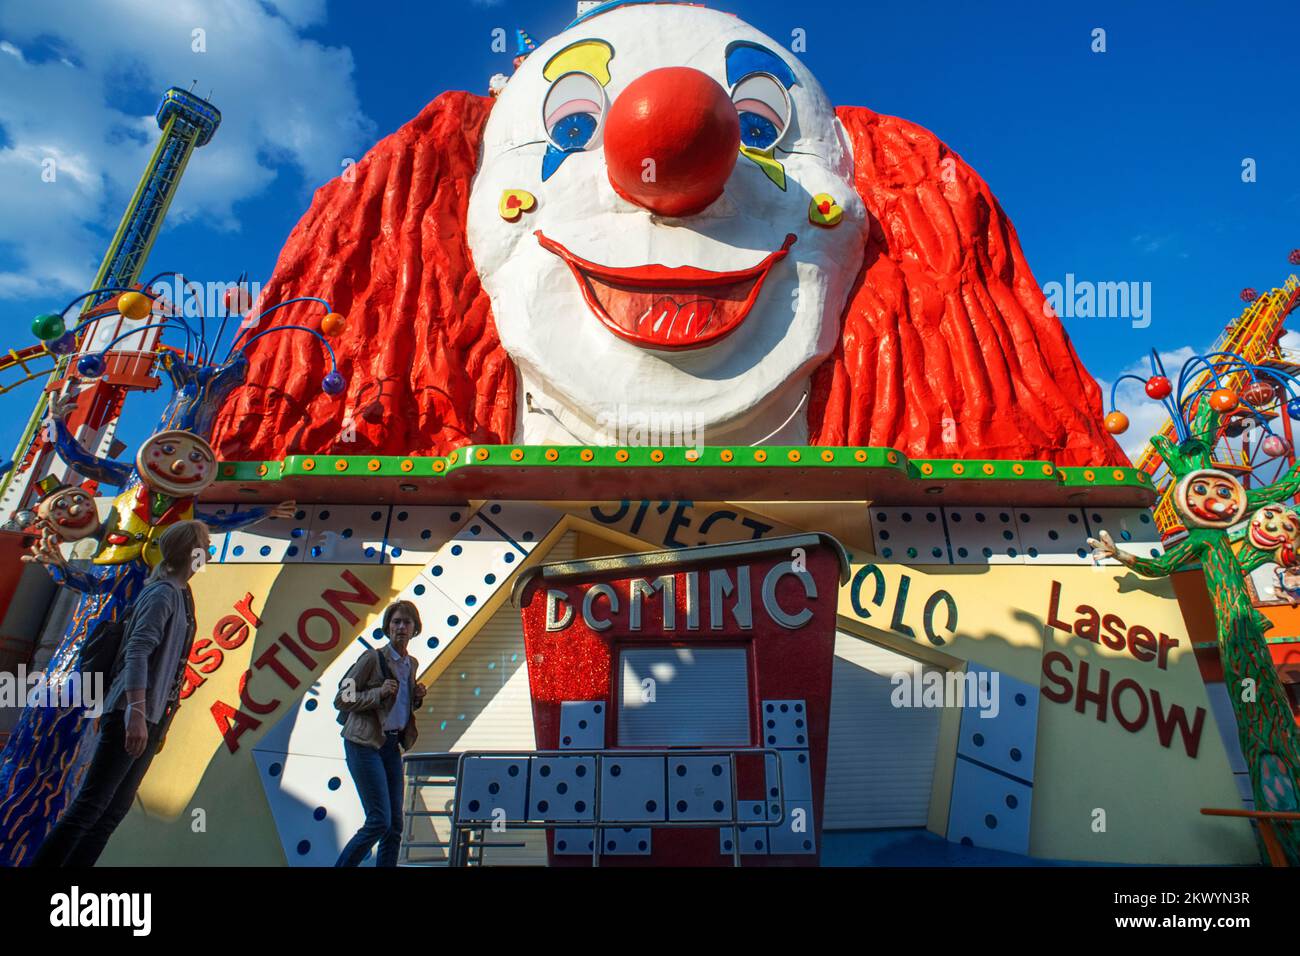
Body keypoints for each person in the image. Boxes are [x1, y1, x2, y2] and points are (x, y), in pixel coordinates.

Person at [31, 519, 209, 867]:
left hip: (150, 715)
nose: (211, 554)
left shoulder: (178, 593)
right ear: (193, 554)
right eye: (206, 548)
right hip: (133, 713)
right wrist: (136, 715)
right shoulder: (162, 594)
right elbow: (138, 651)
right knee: (90, 808)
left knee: (109, 814)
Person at [334, 600, 426, 867]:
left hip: (391, 745)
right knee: (378, 820)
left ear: (414, 629)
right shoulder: (371, 659)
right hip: (363, 743)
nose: (400, 627)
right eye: (396, 622)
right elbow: (342, 698)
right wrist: (378, 693)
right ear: (387, 627)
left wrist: (416, 697)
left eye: (406, 623)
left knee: (395, 825)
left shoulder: (411, 664)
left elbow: (397, 704)